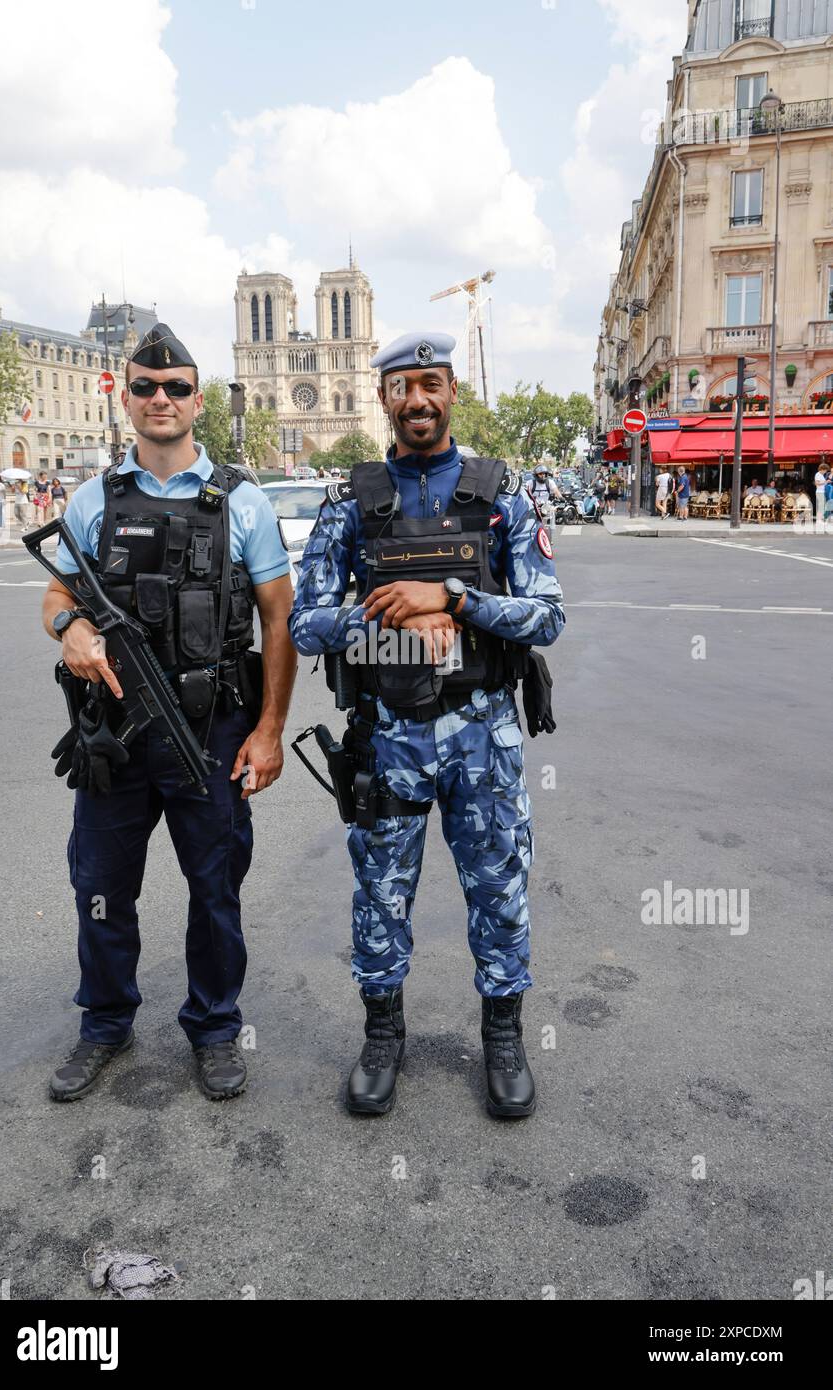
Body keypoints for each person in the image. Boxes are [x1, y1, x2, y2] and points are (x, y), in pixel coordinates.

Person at [289, 332, 565, 1120]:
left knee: (500, 891)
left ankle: (504, 1038)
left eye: (431, 383)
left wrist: (453, 599)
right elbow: (307, 625)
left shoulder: (502, 493)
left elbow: (546, 618)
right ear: (383, 398)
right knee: (380, 895)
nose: (417, 399)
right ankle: (383, 1038)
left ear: (452, 392)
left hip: (482, 732)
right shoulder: (351, 501)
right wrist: (396, 628)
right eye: (402, 386)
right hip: (389, 735)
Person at [40, 324, 297, 1103]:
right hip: (116, 733)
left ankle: (215, 1028)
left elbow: (278, 621)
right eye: (146, 387)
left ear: (196, 399)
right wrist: (71, 628)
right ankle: (105, 1023)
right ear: (125, 394)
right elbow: (56, 595)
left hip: (212, 730)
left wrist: (269, 731)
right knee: (102, 886)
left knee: (215, 888)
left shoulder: (242, 503)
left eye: (177, 387)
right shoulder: (94, 500)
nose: (161, 400)